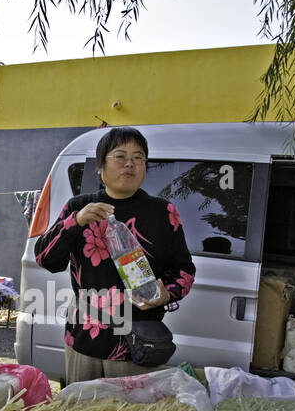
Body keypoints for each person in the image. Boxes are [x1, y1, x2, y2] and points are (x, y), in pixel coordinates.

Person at [35, 126, 196, 382]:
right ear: (100, 167)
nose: (129, 164)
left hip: (138, 341)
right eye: (120, 156)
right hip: (85, 337)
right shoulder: (79, 207)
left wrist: (167, 293)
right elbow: (45, 258)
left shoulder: (163, 213)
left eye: (138, 157)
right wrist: (75, 222)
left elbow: (184, 270)